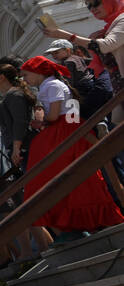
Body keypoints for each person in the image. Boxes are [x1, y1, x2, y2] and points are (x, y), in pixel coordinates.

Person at [20, 56, 124, 235]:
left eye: (26, 74)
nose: (25, 79)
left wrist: (40, 121)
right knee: (85, 177)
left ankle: (69, 224)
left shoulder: (50, 86)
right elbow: (73, 113)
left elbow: (53, 116)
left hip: (61, 132)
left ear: (38, 72)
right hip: (70, 129)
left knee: (49, 175)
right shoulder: (59, 83)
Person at [41, 0, 124, 126]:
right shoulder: (108, 28)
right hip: (118, 85)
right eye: (89, 7)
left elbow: (106, 45)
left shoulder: (121, 20)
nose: (93, 9)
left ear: (112, 0)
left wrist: (66, 35)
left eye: (97, 3)